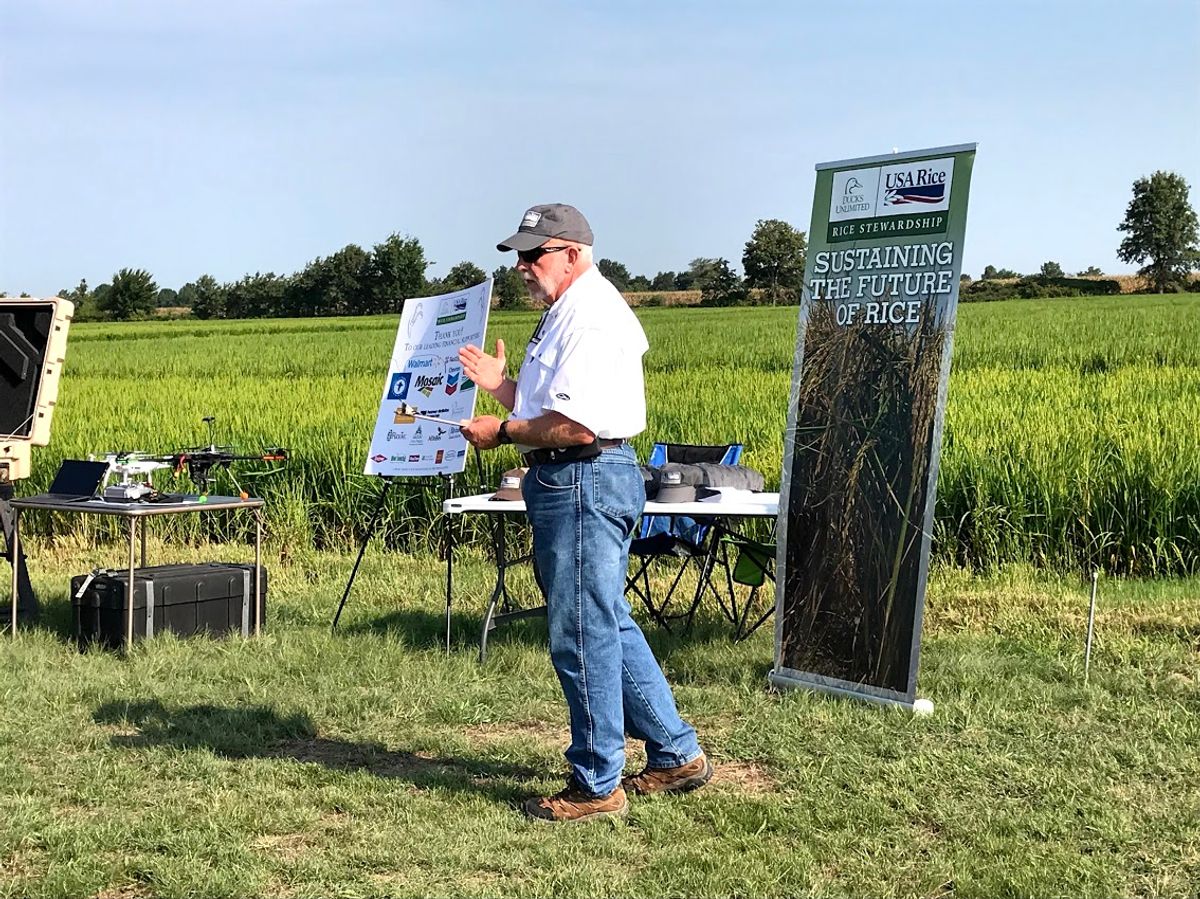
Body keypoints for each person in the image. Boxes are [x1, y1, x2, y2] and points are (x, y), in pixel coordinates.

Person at [459, 204, 712, 823]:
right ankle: (675, 753)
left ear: (572, 253)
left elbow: (575, 426)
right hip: (576, 476)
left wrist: (501, 431)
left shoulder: (589, 317)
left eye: (534, 253)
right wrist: (502, 388)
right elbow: (551, 409)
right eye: (518, 255)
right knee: (605, 622)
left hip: (583, 475)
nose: (522, 266)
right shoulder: (568, 311)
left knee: (581, 632)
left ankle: (597, 783)